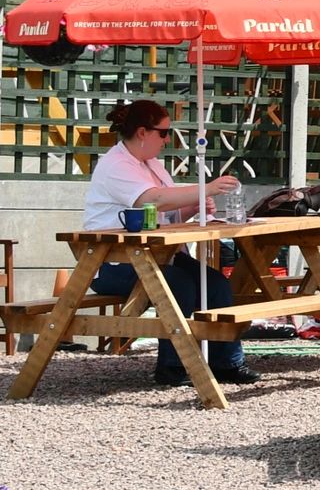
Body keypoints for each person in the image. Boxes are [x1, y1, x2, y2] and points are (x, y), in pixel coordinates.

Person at [83, 99, 257, 387]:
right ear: (142, 132)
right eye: (163, 133)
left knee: (215, 284)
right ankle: (173, 367)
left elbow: (165, 210)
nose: (167, 139)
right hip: (116, 261)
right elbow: (152, 199)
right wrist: (205, 188)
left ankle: (226, 363)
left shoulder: (151, 164)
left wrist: (195, 205)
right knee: (180, 284)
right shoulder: (115, 165)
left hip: (158, 254)